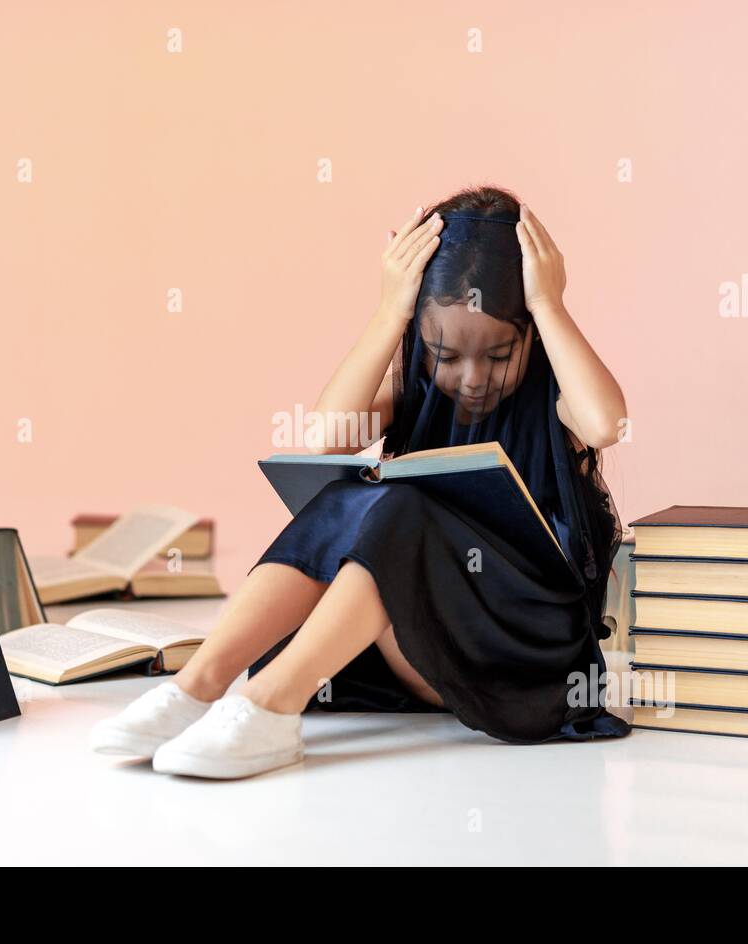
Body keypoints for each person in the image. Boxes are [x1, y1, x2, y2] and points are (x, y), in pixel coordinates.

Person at [90, 185, 630, 779]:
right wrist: (388, 311)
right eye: (445, 355)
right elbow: (325, 438)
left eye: (498, 354)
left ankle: (270, 703)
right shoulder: (417, 393)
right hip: (423, 642)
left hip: (519, 657)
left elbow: (607, 424)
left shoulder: (556, 403)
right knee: (346, 490)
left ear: (530, 331)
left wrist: (550, 304)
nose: (472, 378)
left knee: (401, 507)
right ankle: (197, 686)